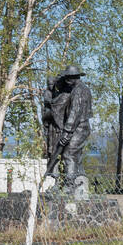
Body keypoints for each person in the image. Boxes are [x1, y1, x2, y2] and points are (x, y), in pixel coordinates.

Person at [42, 65, 92, 198]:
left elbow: (75, 113)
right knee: (75, 155)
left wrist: (67, 132)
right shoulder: (79, 89)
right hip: (78, 126)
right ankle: (77, 181)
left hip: (79, 127)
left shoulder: (79, 91)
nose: (66, 81)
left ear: (74, 78)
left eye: (68, 78)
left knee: (69, 154)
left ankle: (69, 186)